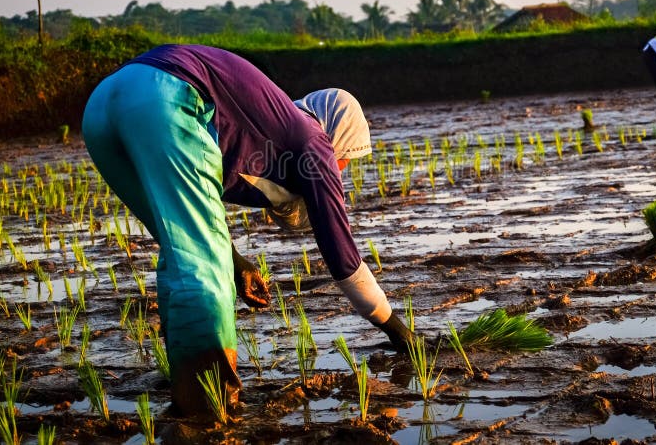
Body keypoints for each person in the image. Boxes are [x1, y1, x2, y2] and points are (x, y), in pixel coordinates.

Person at [81, 44, 412, 416]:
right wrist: (398, 331)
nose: (341, 170)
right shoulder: (313, 141)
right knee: (200, 270)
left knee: (181, 245)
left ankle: (192, 388)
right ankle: (208, 406)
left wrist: (237, 264)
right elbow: (342, 255)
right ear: (336, 136)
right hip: (169, 93)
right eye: (345, 160)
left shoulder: (268, 127)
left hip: (103, 105)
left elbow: (186, 226)